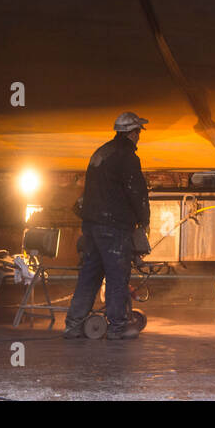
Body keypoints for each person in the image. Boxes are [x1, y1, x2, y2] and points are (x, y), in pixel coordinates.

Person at [64, 112, 150, 340]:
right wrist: (144, 219)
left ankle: (73, 325)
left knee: (89, 274)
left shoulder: (101, 152)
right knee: (117, 275)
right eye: (138, 133)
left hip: (92, 225)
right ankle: (117, 327)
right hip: (114, 226)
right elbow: (136, 191)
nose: (139, 137)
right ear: (132, 133)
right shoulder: (127, 156)